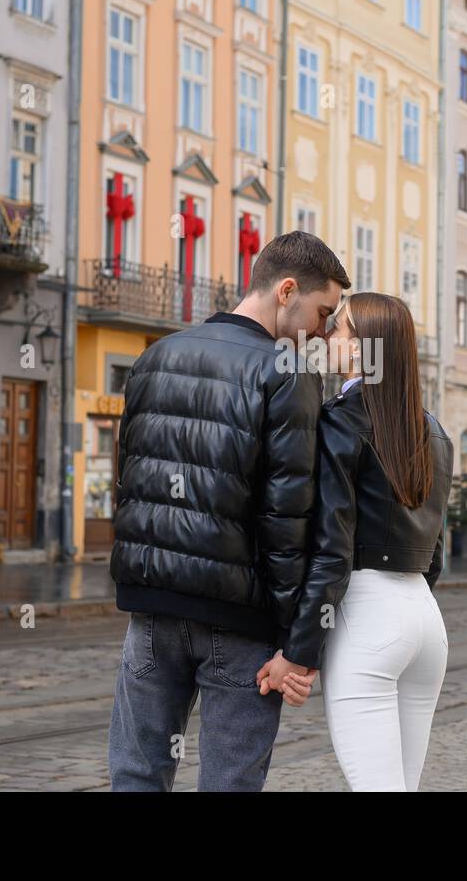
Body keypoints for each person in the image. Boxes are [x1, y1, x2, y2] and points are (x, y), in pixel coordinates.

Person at [105, 230, 349, 792]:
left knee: (137, 774)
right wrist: (294, 642)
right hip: (241, 624)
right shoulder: (288, 373)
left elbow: (131, 486)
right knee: (229, 783)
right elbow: (288, 522)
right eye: (322, 312)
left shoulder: (154, 357)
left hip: (150, 616)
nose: (324, 330)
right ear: (287, 290)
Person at [263, 293, 454, 791]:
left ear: (367, 347)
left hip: (368, 618)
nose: (329, 336)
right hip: (424, 621)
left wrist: (297, 653)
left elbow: (332, 551)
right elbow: (435, 551)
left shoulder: (340, 421)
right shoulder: (434, 432)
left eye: (342, 328)